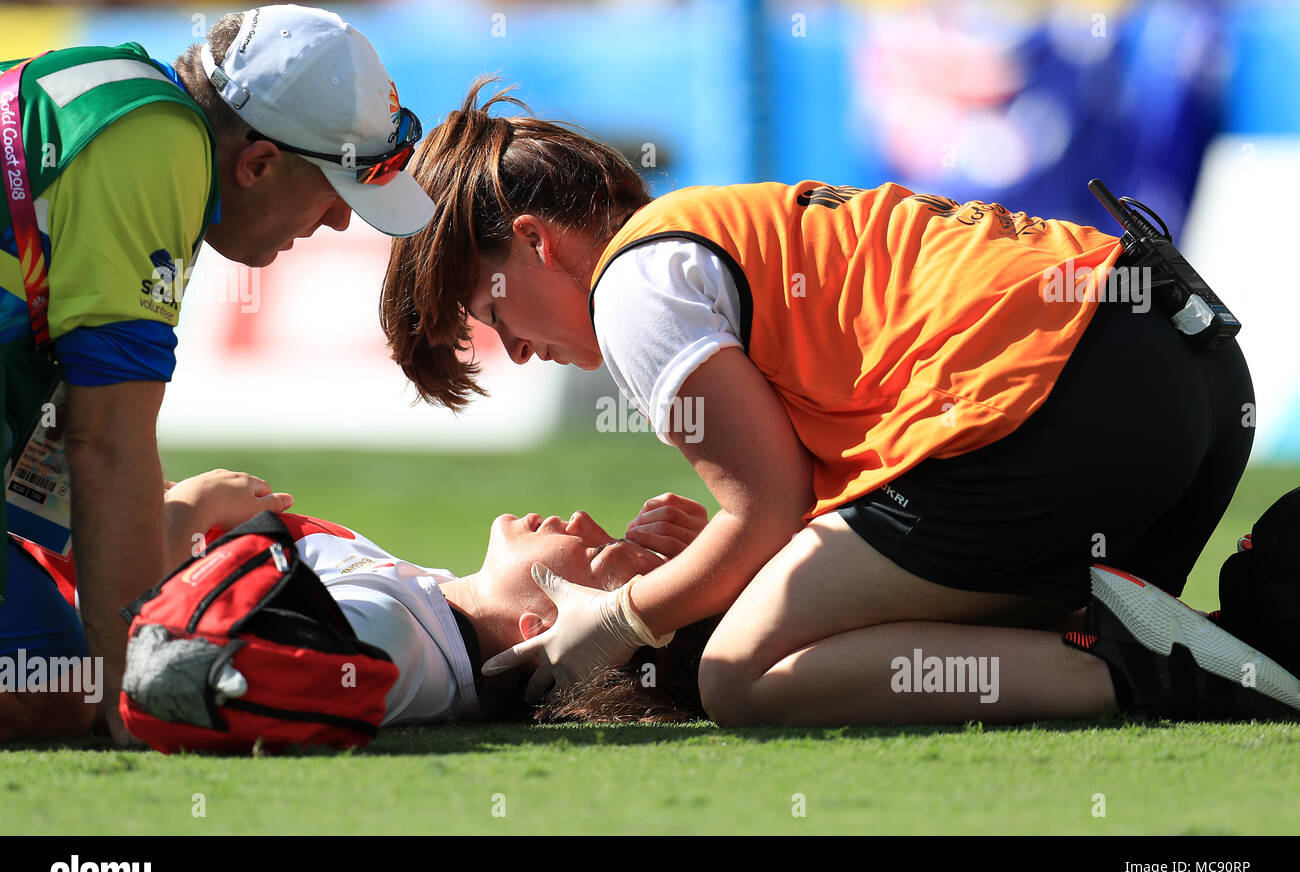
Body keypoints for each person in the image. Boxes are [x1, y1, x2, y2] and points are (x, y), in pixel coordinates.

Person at [378, 78, 1293, 726]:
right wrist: (714, 565)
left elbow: (766, 510)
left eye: (491, 311)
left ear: (535, 241)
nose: (523, 352)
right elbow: (810, 512)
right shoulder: (717, 229)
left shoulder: (633, 284)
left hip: (1059, 404)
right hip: (1190, 370)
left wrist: (618, 620)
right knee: (886, 632)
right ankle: (1250, 628)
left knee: (744, 676)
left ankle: (1159, 674)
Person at [0, 5, 433, 741]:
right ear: (259, 162)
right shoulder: (152, 143)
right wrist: (134, 711)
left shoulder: (132, 108)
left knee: (51, 679)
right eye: (337, 192)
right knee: (66, 691)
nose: (337, 225)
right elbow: (105, 443)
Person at [7, 469, 711, 737]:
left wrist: (179, 513)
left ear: (547, 632)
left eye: (600, 551)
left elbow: (176, 671)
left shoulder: (397, 638)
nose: (586, 517)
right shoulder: (429, 610)